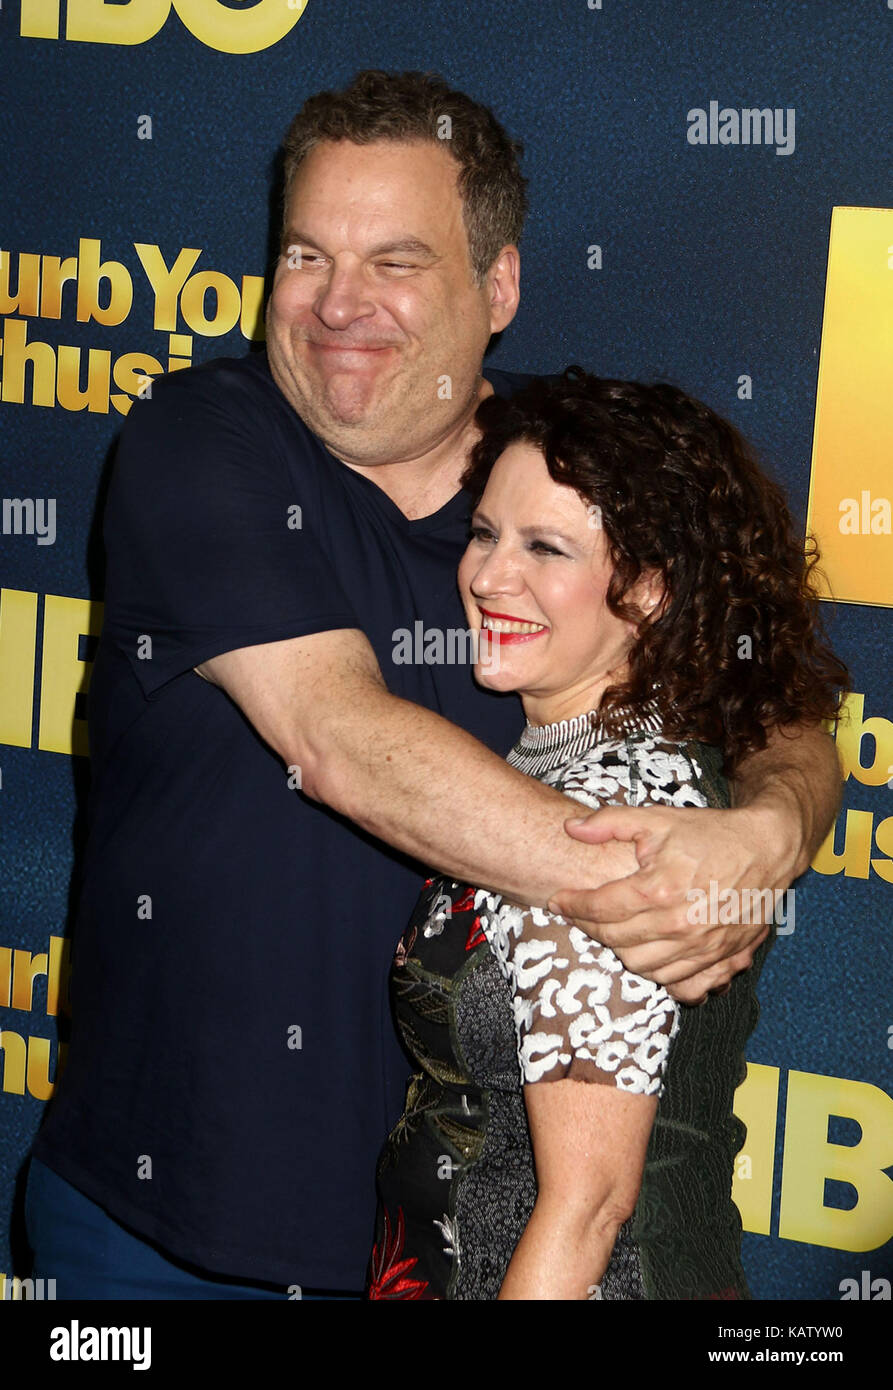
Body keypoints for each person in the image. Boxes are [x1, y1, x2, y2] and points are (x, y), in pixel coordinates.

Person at [25, 71, 841, 1299]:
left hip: (455, 1263)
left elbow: (772, 697)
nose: (338, 305)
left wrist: (768, 827)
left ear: (496, 287)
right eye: (306, 254)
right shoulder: (199, 440)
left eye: (395, 262)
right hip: (147, 1242)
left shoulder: (562, 489)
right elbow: (339, 739)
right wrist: (659, 884)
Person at [369, 370, 849, 1301]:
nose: (488, 576)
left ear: (650, 591)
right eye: (483, 534)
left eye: (545, 547)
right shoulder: (555, 761)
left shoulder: (617, 806)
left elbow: (589, 1208)